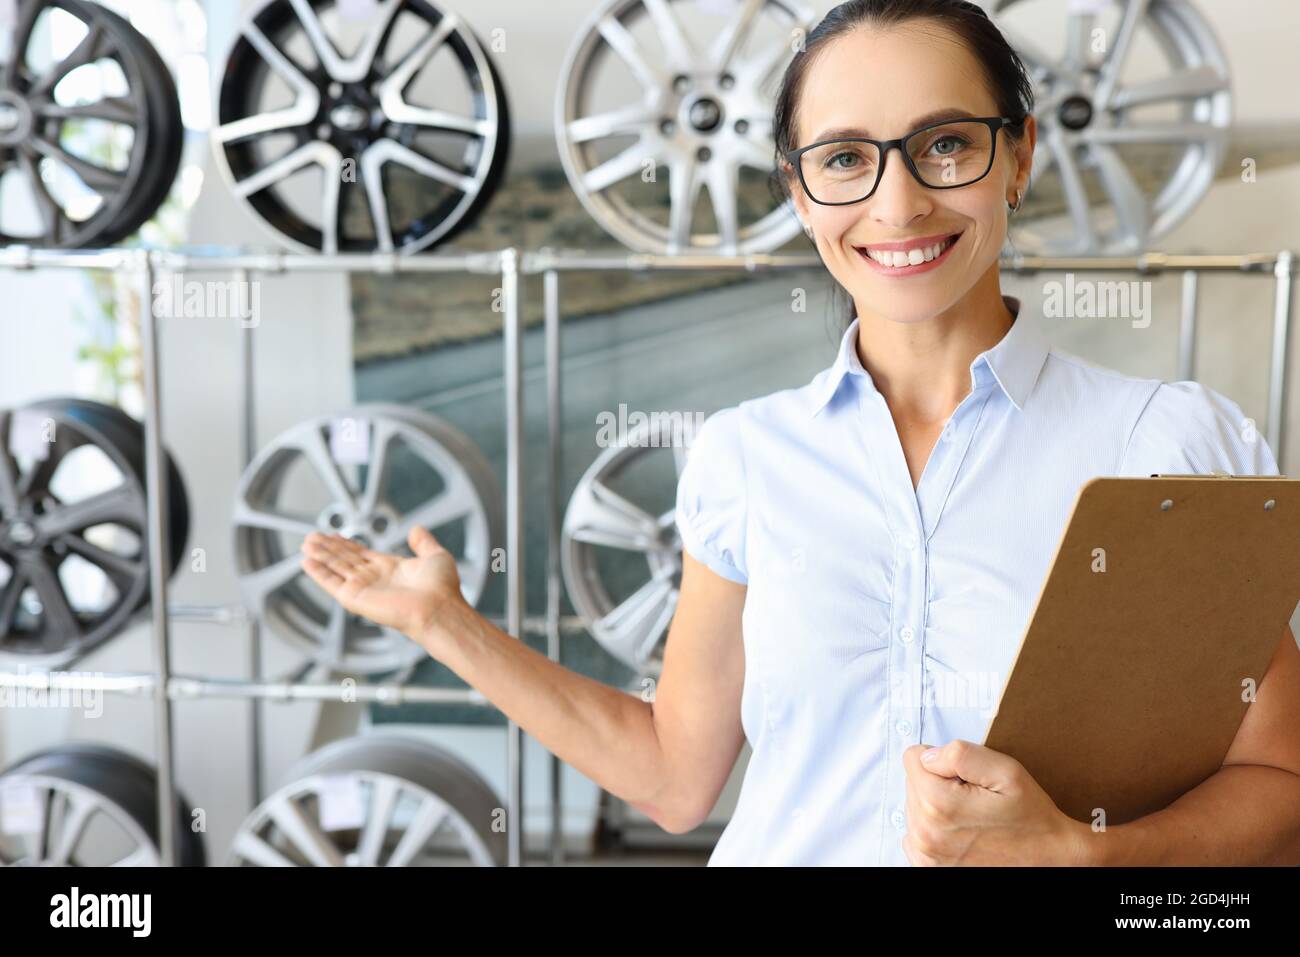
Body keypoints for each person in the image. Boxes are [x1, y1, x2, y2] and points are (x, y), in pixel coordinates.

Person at [301, 0, 1300, 866]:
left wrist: (1085, 856)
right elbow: (673, 779)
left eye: (945, 142)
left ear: (1018, 155)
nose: (897, 201)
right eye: (844, 160)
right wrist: (445, 625)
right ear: (797, 191)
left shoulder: (1162, 444)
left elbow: (1278, 785)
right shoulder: (746, 456)